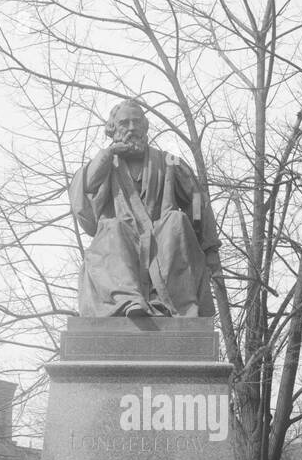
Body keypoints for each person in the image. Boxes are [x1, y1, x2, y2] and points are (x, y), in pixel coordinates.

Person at [70, 99, 222, 317]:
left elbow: (196, 199)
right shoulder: (105, 165)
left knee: (176, 222)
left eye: (136, 122)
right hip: (122, 242)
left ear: (145, 126)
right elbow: (85, 195)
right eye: (124, 123)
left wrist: (207, 244)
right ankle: (127, 301)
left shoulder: (169, 162)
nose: (132, 128)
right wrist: (107, 155)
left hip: (162, 240)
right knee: (112, 228)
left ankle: (166, 302)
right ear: (113, 130)